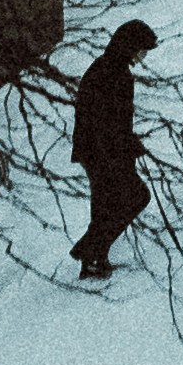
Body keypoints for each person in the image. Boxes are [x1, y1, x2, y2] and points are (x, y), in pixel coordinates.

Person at [71, 17, 158, 281]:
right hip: (104, 152)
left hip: (95, 149)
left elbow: (110, 119)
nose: (144, 55)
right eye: (142, 49)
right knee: (136, 196)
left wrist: (129, 142)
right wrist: (125, 146)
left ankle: (93, 259)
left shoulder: (104, 67)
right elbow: (108, 121)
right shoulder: (116, 75)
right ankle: (91, 251)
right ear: (131, 47)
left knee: (105, 204)